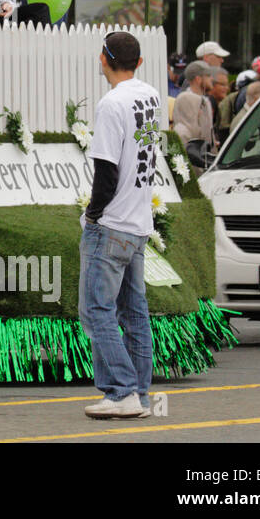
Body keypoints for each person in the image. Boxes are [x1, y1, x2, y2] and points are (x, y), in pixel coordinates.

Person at [79, 31, 161, 419]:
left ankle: (121, 391)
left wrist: (93, 214)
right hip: (139, 221)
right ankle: (140, 394)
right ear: (139, 62)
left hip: (111, 223)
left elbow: (106, 171)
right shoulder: (150, 96)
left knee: (97, 309)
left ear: (103, 59)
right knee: (134, 312)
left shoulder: (111, 103)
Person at [172, 61, 216, 167]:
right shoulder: (185, 99)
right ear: (198, 79)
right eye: (208, 76)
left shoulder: (205, 100)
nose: (212, 79)